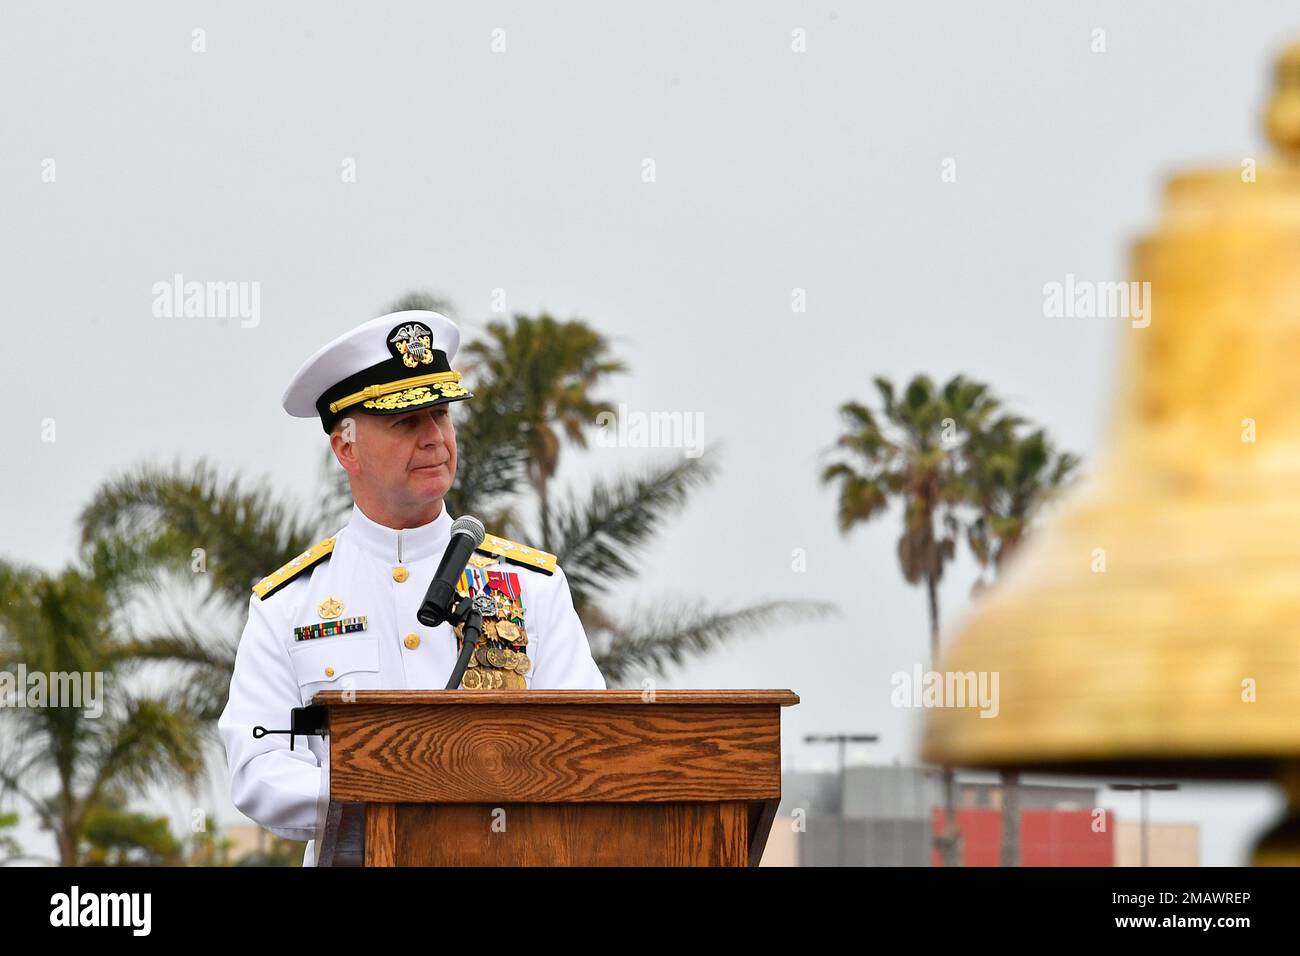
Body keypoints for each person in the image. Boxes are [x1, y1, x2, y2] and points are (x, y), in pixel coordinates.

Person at [216, 310, 606, 866]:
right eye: (405, 422)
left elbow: (590, 746)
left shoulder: (531, 585)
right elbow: (257, 765)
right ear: (346, 448)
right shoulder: (287, 605)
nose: (434, 438)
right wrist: (386, 790)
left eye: (441, 414)